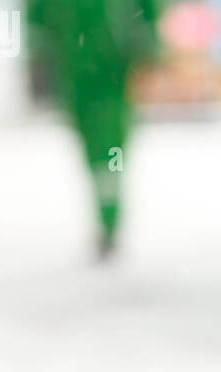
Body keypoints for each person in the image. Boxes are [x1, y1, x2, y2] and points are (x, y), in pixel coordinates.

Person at [30, 0, 159, 256]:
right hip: (77, 71)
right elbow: (38, 17)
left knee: (110, 147)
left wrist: (146, 45)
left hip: (111, 72)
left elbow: (148, 12)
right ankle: (106, 218)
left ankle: (109, 220)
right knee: (94, 148)